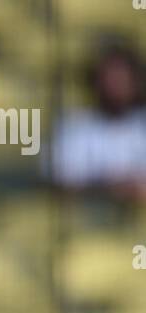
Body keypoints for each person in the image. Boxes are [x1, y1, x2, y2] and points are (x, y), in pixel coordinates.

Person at [51, 43, 146, 202]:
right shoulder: (75, 126)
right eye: (110, 78)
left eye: (122, 78)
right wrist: (112, 187)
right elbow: (62, 179)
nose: (116, 86)